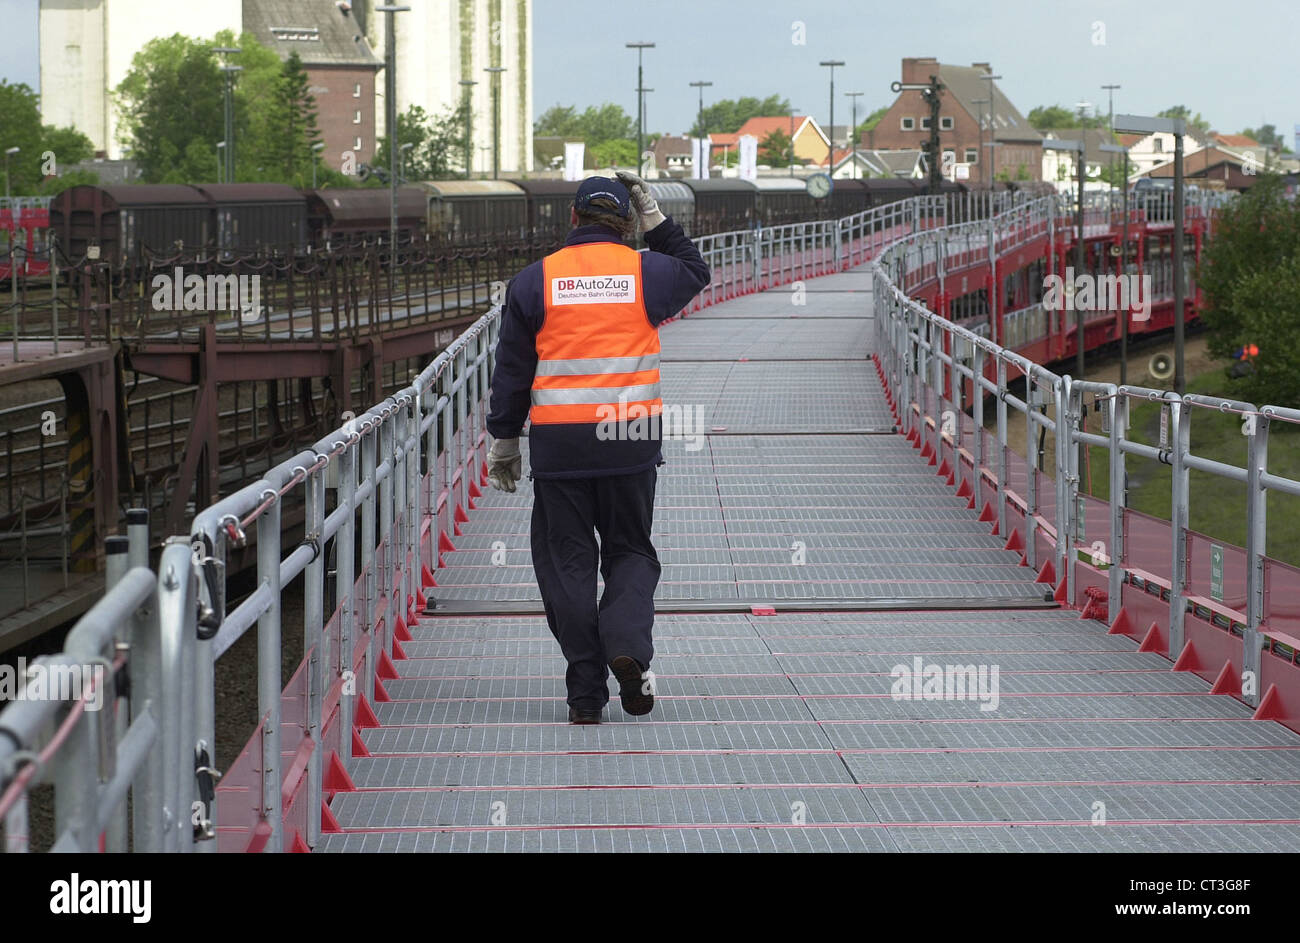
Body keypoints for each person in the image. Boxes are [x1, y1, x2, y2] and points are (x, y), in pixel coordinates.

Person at [484, 172, 710, 724]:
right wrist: (656, 219)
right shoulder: (646, 272)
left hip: (560, 446)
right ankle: (627, 644)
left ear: (572, 220)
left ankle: (586, 696)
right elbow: (696, 270)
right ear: (626, 222)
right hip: (627, 440)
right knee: (630, 551)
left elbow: (513, 368)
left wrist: (504, 439)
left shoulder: (535, 280)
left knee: (567, 564)